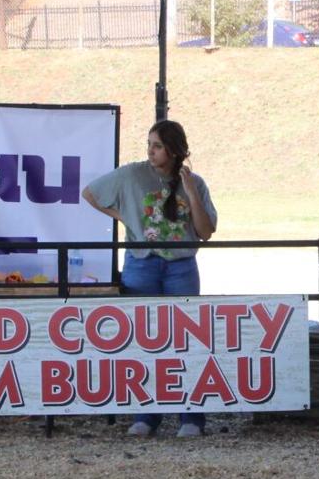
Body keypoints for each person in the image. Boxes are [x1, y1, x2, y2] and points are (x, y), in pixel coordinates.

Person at [82, 119, 218, 438]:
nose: (151, 151)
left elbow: (205, 231)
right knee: (145, 337)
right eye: (149, 145)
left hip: (181, 266)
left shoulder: (194, 182)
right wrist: (125, 217)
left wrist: (190, 192)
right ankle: (147, 414)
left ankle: (191, 417)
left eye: (157, 146)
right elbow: (90, 193)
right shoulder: (132, 174)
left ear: (174, 150)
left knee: (186, 339)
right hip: (141, 263)